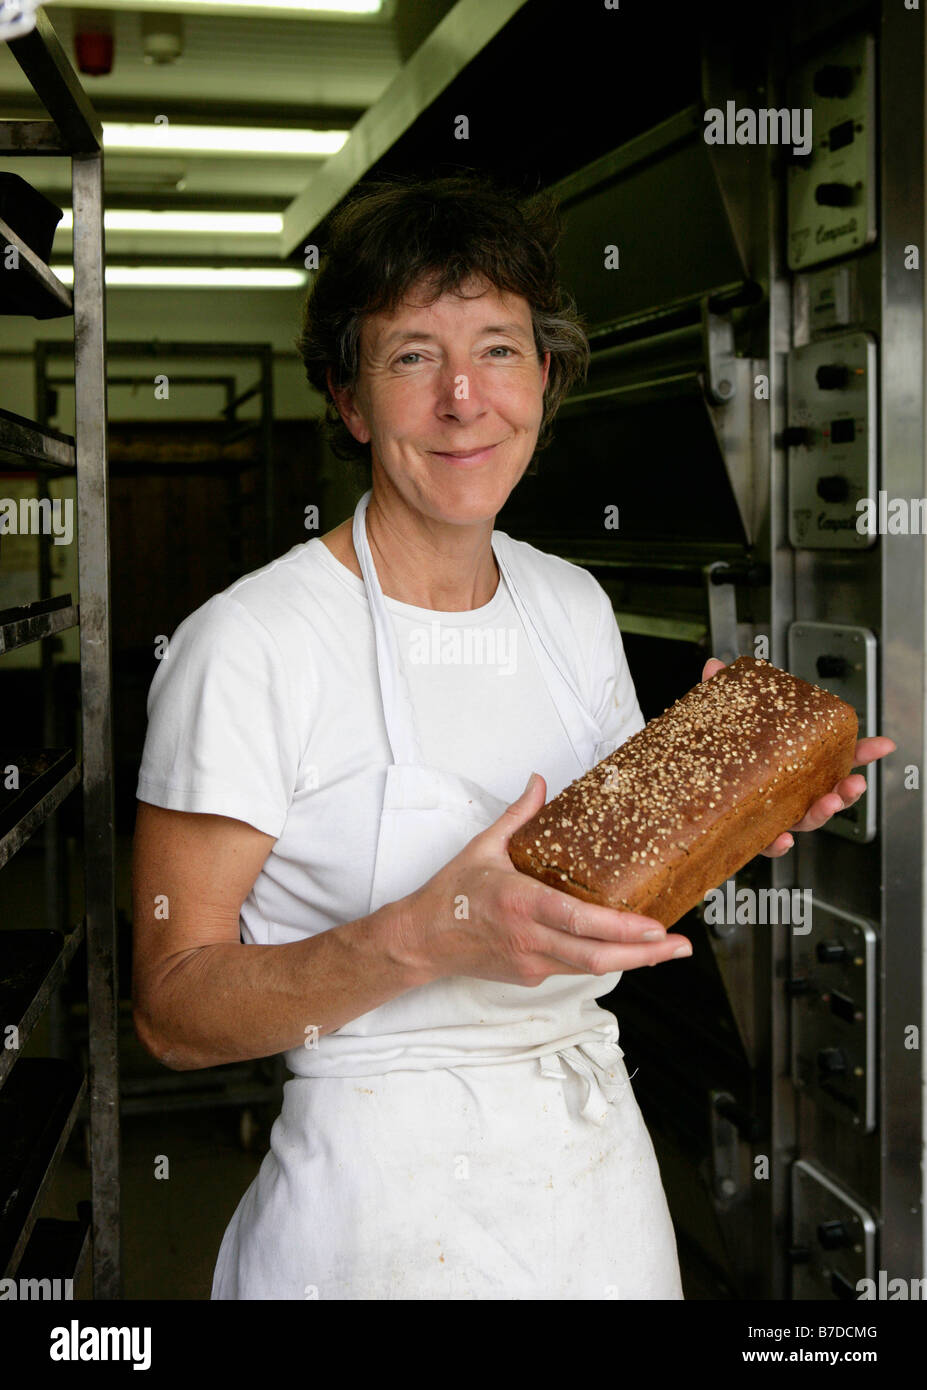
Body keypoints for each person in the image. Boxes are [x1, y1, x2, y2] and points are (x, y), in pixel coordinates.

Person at [131, 173, 894, 1300]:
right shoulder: (246, 643)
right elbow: (173, 1010)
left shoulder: (569, 604)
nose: (462, 397)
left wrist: (743, 807)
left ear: (545, 376)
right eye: (409, 357)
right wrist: (426, 936)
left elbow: (611, 901)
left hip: (590, 1183)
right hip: (372, 1207)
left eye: (498, 348)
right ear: (350, 401)